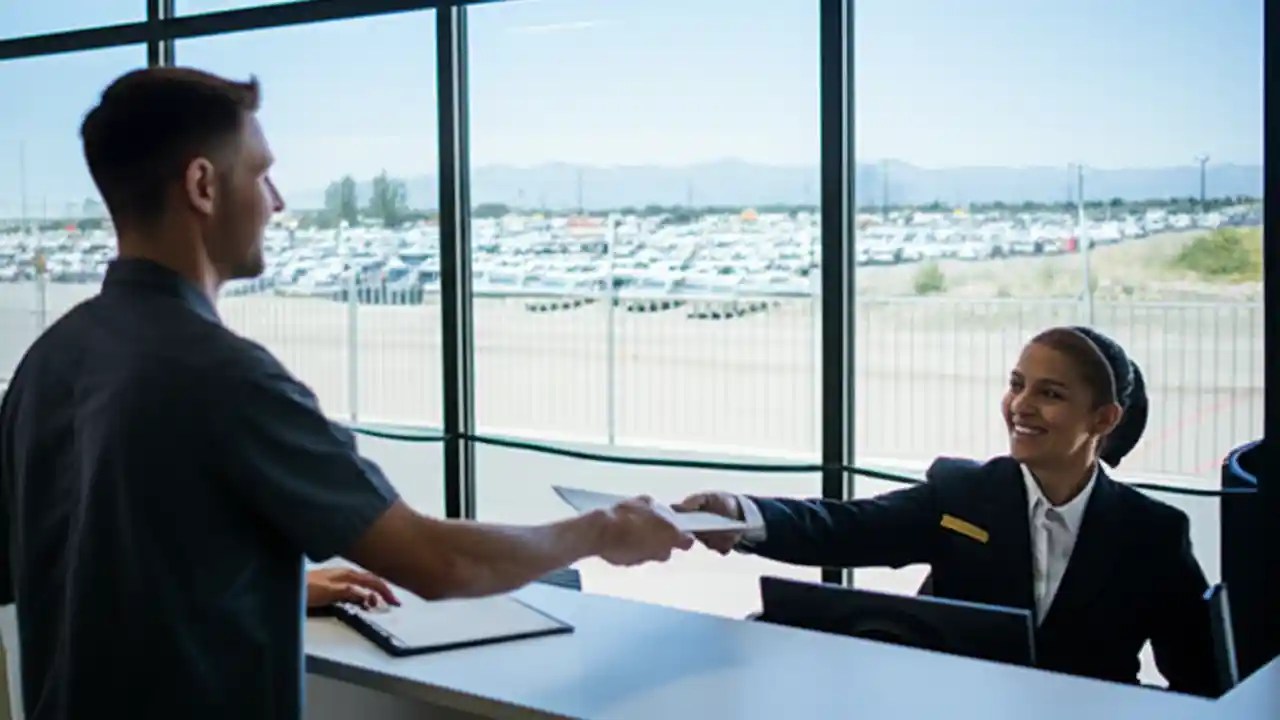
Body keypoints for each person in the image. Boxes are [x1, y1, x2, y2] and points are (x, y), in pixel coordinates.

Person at [0, 67, 693, 720]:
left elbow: (91, 559)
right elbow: (438, 561)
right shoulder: (224, 376)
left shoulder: (51, 359)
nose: (276, 202)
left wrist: (272, 589)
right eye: (262, 174)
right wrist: (600, 530)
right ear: (203, 186)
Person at [677, 325, 1219, 697]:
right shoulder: (961, 493)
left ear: (1103, 419)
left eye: (1049, 393)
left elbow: (1200, 679)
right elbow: (848, 528)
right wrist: (740, 514)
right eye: (1015, 384)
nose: (1020, 406)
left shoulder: (1152, 535)